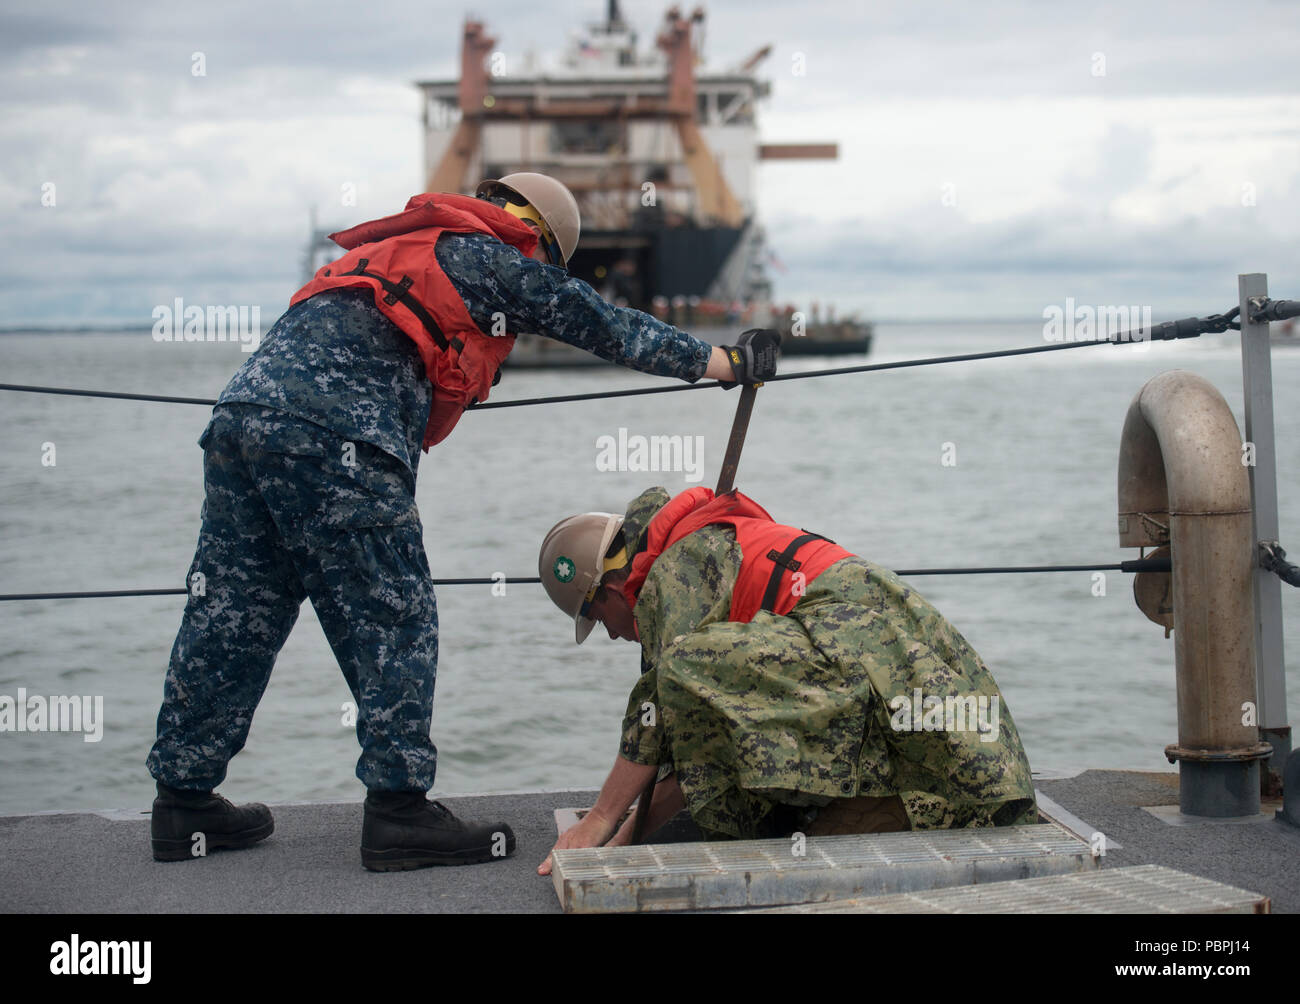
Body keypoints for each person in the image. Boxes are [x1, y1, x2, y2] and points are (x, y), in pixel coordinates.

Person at [145, 172, 781, 871]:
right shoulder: (488, 254)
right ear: (538, 235)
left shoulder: (392, 250)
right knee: (395, 616)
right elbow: (597, 320)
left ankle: (184, 800)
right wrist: (720, 362)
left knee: (236, 612)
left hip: (242, 420)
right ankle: (398, 813)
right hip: (337, 436)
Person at [537, 485, 1037, 875]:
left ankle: (875, 799)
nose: (611, 636)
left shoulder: (676, 569)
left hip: (891, 680)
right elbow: (692, 735)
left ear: (608, 590)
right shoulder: (694, 546)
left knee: (688, 667)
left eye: (600, 621)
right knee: (707, 692)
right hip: (914, 685)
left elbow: (664, 698)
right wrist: (628, 838)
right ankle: (856, 799)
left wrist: (603, 822)